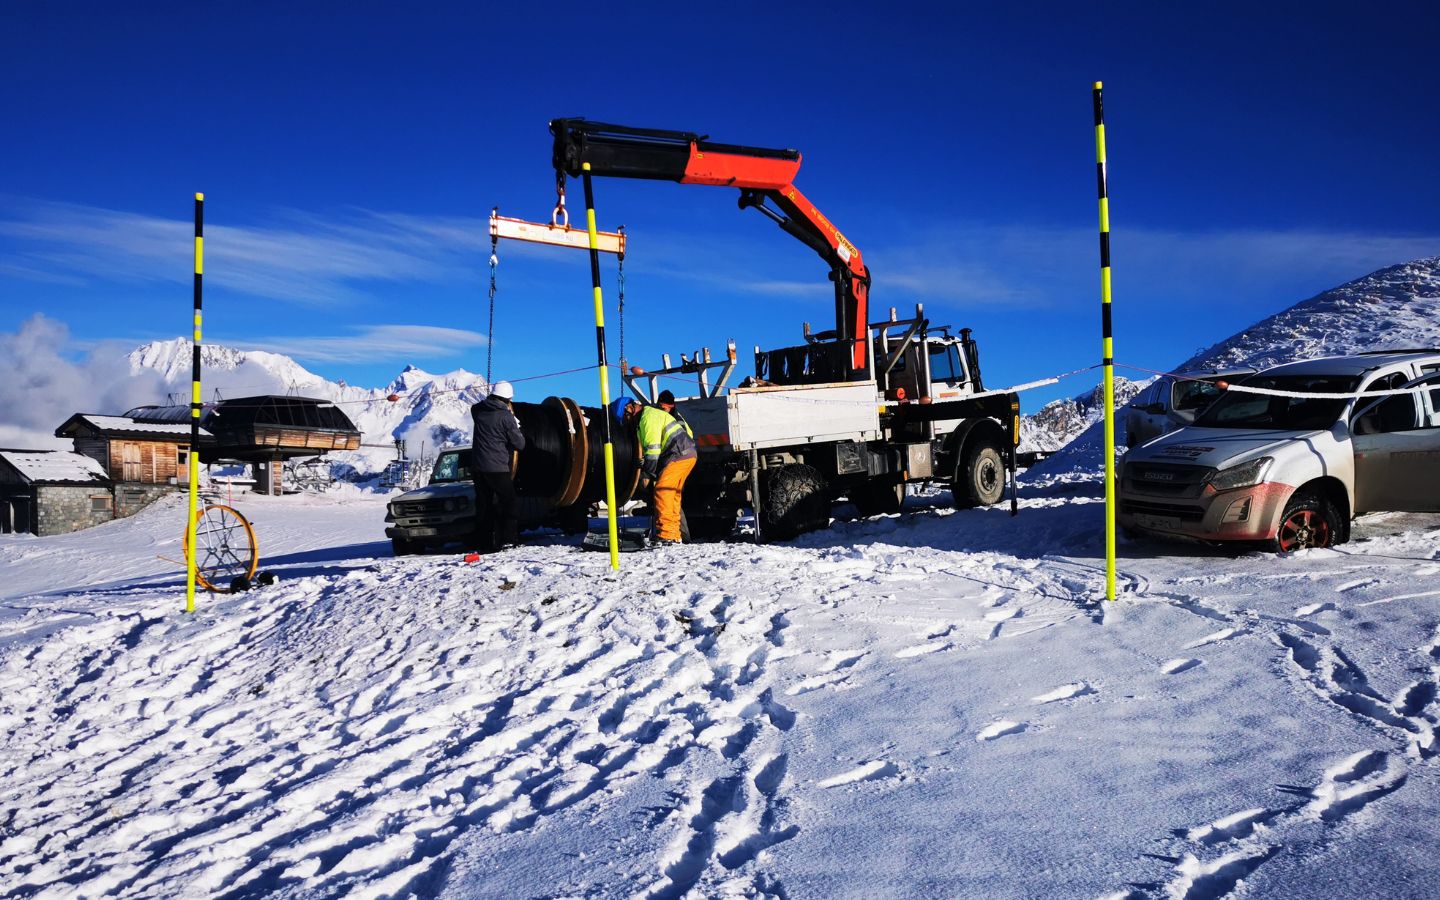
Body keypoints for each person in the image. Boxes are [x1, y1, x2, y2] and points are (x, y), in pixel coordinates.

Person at [625, 389, 696, 544]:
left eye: (626, 417)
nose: (627, 421)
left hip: (678, 455)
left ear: (631, 409)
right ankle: (676, 534)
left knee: (663, 492)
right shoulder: (648, 417)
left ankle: (668, 536)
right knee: (672, 495)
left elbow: (653, 450)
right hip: (685, 454)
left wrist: (648, 474)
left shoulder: (648, 417)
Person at [470, 381, 524, 552]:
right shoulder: (506, 417)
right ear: (508, 399)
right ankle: (508, 540)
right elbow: (519, 444)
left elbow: (475, 407)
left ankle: (483, 544)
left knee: (483, 505)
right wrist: (515, 426)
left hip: (478, 468)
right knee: (509, 502)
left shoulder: (478, 411)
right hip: (497, 469)